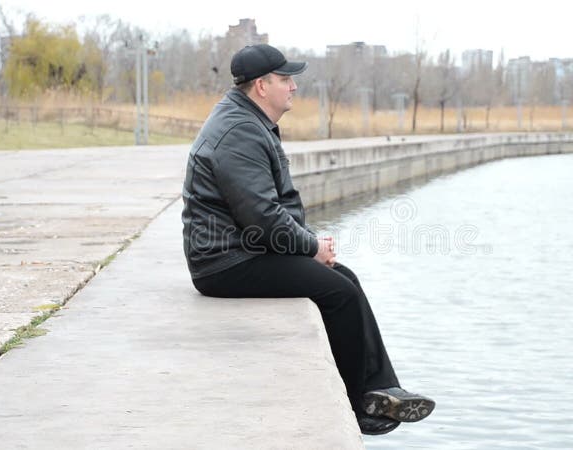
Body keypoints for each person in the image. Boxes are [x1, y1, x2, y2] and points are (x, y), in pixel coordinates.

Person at [181, 44, 434, 436]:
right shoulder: (239, 133)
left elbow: (269, 213)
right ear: (262, 86)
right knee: (339, 293)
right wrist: (311, 246)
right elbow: (262, 218)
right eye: (286, 79)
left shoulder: (246, 121)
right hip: (224, 262)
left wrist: (307, 244)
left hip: (239, 250)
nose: (294, 86)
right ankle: (358, 405)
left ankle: (382, 388)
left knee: (345, 279)